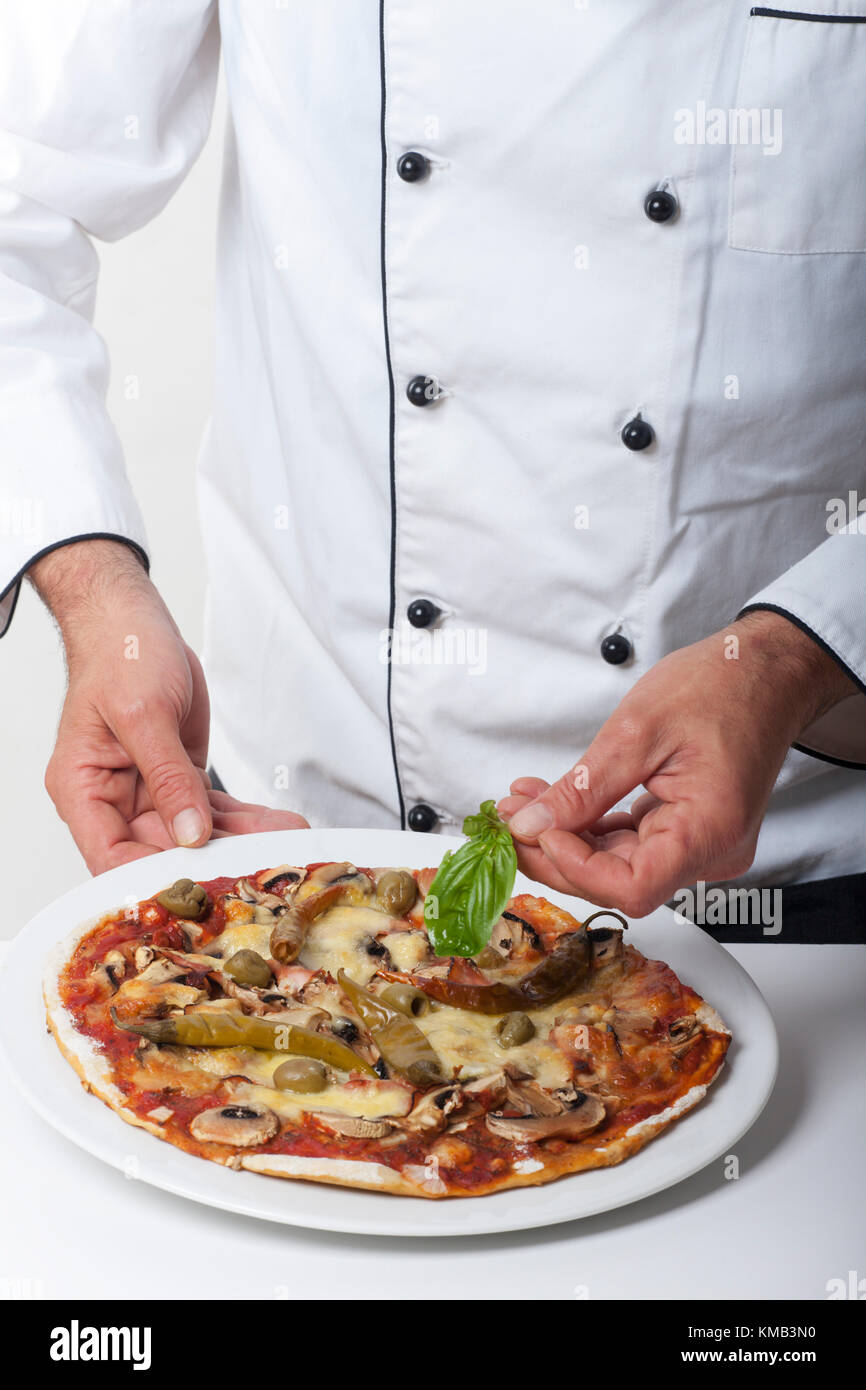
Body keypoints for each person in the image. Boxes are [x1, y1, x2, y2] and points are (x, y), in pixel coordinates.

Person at [2, 3, 864, 931]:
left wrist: (787, 657)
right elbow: (19, 198)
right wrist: (95, 594)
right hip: (291, 839)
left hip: (782, 887)